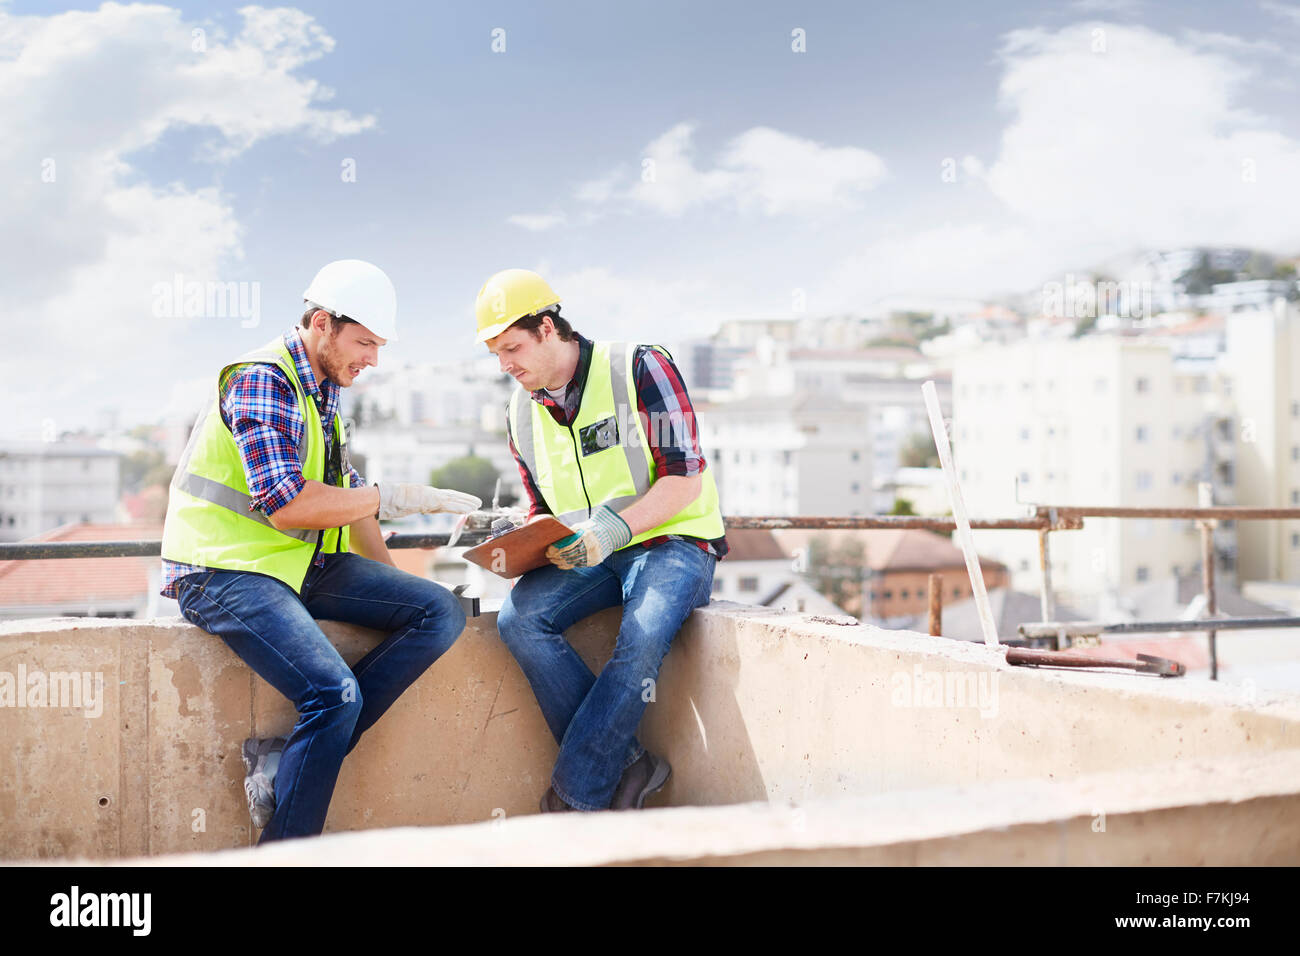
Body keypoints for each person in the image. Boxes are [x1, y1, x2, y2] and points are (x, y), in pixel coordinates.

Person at [160, 259, 481, 842]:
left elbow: (347, 498)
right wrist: (392, 496)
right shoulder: (263, 378)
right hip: (222, 570)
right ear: (323, 323)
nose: (372, 359)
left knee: (439, 612)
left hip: (291, 566)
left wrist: (397, 592)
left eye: (379, 346)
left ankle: (287, 761)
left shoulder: (323, 390)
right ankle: (283, 854)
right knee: (334, 696)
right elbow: (286, 503)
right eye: (364, 342)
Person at [476, 268, 727, 812]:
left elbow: (685, 477)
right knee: (519, 620)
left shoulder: (639, 367)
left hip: (674, 542)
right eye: (496, 354)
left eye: (512, 347)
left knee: (640, 638)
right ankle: (630, 761)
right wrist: (519, 535)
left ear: (548, 328)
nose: (505, 365)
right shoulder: (520, 410)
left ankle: (572, 802)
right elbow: (546, 510)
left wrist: (616, 529)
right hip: (592, 555)